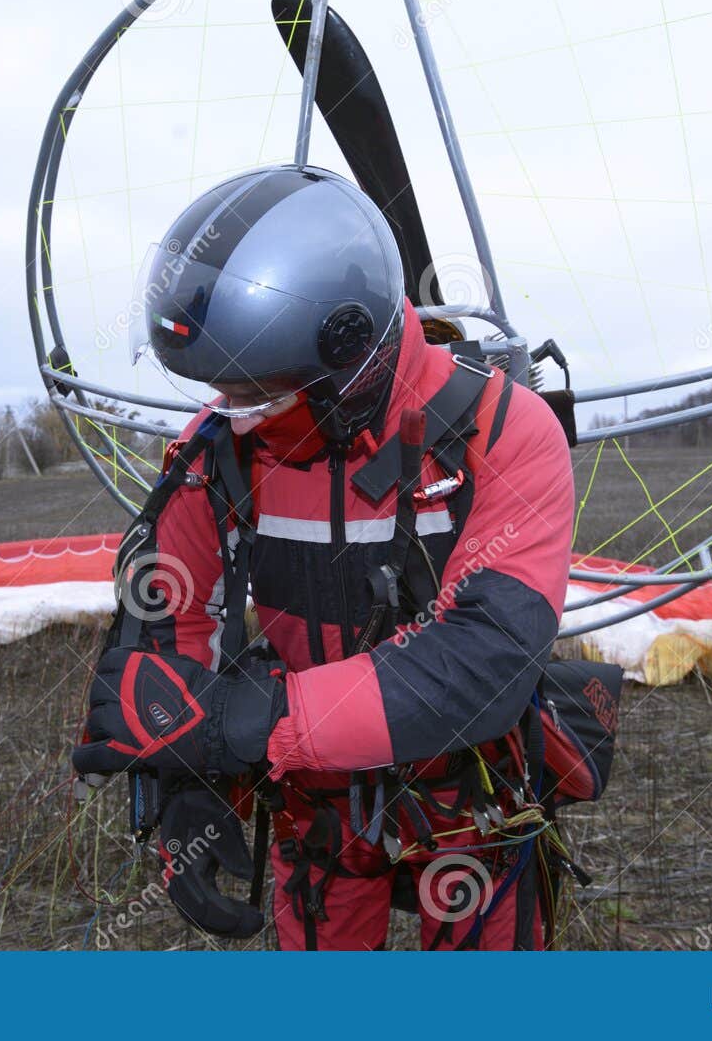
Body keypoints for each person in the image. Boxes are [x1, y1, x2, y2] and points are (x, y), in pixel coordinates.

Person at [72, 164, 574, 950]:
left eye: (255, 395)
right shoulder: (220, 450)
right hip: (316, 814)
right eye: (222, 393)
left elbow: (487, 661)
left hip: (471, 802)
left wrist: (262, 720)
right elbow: (164, 626)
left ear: (352, 360)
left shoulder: (506, 433)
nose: (232, 417)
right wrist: (185, 790)